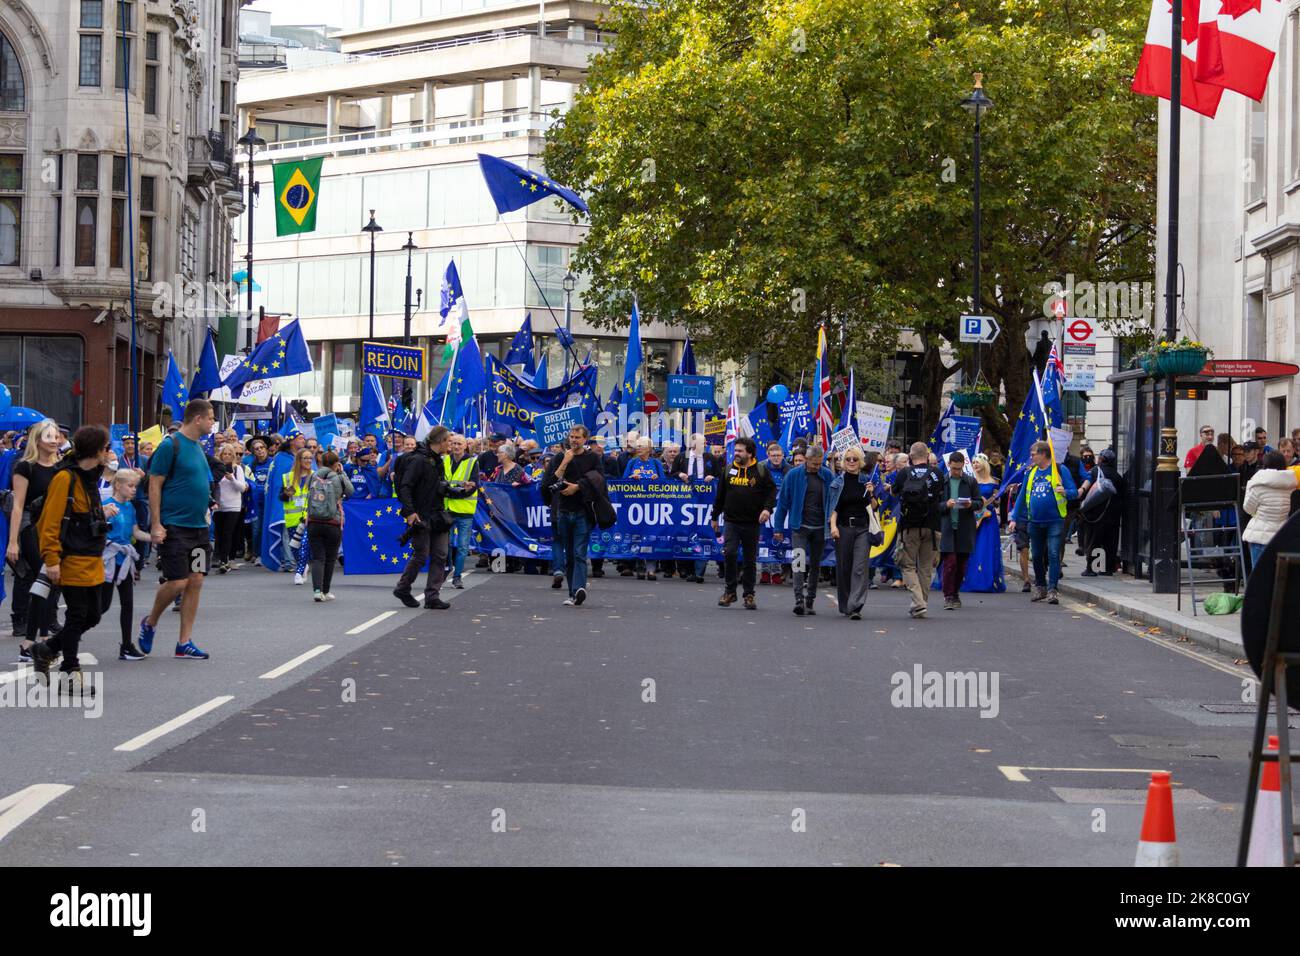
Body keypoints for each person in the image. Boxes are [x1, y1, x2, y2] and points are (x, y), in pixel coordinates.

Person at [28, 425, 115, 692]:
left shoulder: (90, 476)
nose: (109, 452)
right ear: (96, 450)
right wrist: (51, 559)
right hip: (71, 558)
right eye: (106, 448)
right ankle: (69, 673)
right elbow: (49, 523)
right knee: (78, 615)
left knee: (93, 615)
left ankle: (46, 648)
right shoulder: (66, 478)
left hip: (91, 557)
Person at [139, 399, 216, 660]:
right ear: (198, 419)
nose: (213, 422)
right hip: (174, 526)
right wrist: (156, 523)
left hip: (199, 528)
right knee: (177, 582)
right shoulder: (169, 446)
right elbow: (154, 485)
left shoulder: (198, 447)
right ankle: (150, 622)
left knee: (196, 580)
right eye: (211, 417)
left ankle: (184, 642)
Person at [394, 427, 472, 609]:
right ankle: (403, 588)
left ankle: (432, 596)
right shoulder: (419, 461)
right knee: (421, 554)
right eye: (449, 441)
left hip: (437, 514)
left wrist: (459, 491)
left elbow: (439, 487)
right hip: (421, 515)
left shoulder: (438, 461)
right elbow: (405, 486)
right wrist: (411, 512)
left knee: (441, 555)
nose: (451, 445)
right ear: (440, 442)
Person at [6, 418, 63, 660]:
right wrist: (13, 541)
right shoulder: (25, 466)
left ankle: (36, 641)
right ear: (37, 440)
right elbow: (18, 506)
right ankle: (35, 642)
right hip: (31, 527)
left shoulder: (61, 466)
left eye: (56, 436)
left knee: (50, 583)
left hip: (56, 528)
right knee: (45, 578)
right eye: (48, 436)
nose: (53, 440)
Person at [1008, 440, 1079, 605]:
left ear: (1043, 454)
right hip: (1034, 522)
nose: (1031, 457)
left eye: (1033, 454)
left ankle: (1052, 589)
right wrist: (1014, 518)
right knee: (1037, 556)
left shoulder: (1059, 470)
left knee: (1053, 554)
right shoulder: (1031, 473)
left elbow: (1074, 492)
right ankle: (1040, 586)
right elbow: (1021, 498)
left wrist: (1066, 491)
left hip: (1055, 521)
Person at [541, 424, 604, 607]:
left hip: (582, 512)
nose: (574, 440)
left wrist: (578, 486)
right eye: (571, 437)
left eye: (577, 437)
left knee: (579, 553)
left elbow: (599, 481)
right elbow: (548, 484)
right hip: (563, 511)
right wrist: (564, 462)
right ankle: (572, 593)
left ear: (585, 439)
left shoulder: (592, 458)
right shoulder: (561, 456)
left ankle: (579, 589)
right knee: (569, 554)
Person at [710, 436, 776, 610]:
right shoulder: (728, 470)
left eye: (739, 451)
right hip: (731, 521)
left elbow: (771, 492)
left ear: (750, 453)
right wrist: (714, 517)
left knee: (749, 560)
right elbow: (720, 496)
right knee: (729, 554)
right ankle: (730, 592)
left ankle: (749, 595)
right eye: (735, 450)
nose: (736, 454)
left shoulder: (760, 471)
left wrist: (767, 509)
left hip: (752, 523)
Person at [772, 444, 832, 616]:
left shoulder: (827, 475)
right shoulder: (793, 475)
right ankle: (798, 599)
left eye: (820, 463)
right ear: (806, 459)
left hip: (820, 528)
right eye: (814, 464)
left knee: (815, 565)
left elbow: (835, 500)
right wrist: (778, 527)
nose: (817, 467)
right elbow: (783, 503)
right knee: (798, 564)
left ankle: (810, 599)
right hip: (800, 527)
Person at [101, 467, 151, 661]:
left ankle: (127, 645)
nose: (133, 490)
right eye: (130, 486)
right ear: (118, 485)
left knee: (127, 604)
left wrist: (154, 538)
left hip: (125, 559)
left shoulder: (130, 507)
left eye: (135, 487)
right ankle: (71, 633)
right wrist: (104, 515)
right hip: (108, 559)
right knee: (102, 606)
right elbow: (97, 531)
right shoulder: (106, 505)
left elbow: (135, 532)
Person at [894, 442, 944, 619]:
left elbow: (894, 492)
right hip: (933, 525)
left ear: (910, 456)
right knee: (925, 567)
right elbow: (942, 495)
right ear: (927, 455)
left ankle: (918, 602)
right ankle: (921, 603)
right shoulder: (937, 473)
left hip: (909, 526)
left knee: (907, 565)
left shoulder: (904, 473)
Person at [827, 446, 876, 619]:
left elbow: (874, 507)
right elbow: (834, 508)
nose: (852, 462)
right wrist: (833, 527)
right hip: (843, 528)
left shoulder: (865, 480)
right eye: (848, 459)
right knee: (844, 568)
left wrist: (871, 493)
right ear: (844, 462)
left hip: (863, 529)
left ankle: (855, 606)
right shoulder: (837, 483)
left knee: (860, 569)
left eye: (855, 459)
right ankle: (846, 604)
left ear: (860, 462)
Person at [936, 451, 983, 610]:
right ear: (949, 465)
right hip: (947, 527)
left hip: (964, 527)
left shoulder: (970, 482)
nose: (956, 471)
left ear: (963, 465)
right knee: (950, 563)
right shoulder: (942, 481)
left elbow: (979, 502)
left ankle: (955, 593)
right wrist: (945, 505)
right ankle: (948, 595)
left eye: (959, 468)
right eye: (954, 468)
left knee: (961, 565)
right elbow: (934, 505)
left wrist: (971, 504)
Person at [306, 450, 353, 602]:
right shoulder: (338, 477)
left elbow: (307, 490)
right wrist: (342, 473)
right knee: (330, 558)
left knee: (318, 558)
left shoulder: (313, 475)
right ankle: (326, 590)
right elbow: (350, 491)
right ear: (336, 463)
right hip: (333, 521)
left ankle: (317, 591)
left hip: (314, 521)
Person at [1242, 452, 1299, 570]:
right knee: (1278, 578)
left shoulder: (1258, 483)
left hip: (1259, 535)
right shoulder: (1291, 484)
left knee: (1259, 576)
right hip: (1282, 535)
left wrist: (1249, 486)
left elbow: (1248, 508)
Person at [959, 454, 1006, 593]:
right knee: (971, 548)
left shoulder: (995, 481)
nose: (975, 464)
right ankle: (971, 579)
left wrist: (997, 499)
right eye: (973, 462)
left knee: (985, 548)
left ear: (984, 464)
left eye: (977, 462)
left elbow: (998, 502)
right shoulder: (969, 480)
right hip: (972, 517)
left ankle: (986, 580)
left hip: (988, 518)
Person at [1079, 447, 1126, 576]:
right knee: (1109, 542)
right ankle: (1106, 568)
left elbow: (1087, 489)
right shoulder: (1117, 476)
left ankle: (1092, 568)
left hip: (1096, 515)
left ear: (1101, 459)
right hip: (1113, 517)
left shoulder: (1095, 471)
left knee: (1094, 540)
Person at [443, 433, 479, 590]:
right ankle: (448, 567)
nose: (456, 446)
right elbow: (441, 483)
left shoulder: (472, 462)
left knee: (463, 547)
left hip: (465, 510)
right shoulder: (444, 460)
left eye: (459, 444)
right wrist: (456, 490)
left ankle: (457, 577)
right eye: (454, 443)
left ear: (466, 446)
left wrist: (452, 490)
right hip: (448, 509)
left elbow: (473, 486)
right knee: (446, 543)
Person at [280, 447, 315, 585]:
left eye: (310, 458)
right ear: (299, 460)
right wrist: (286, 495)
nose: (308, 461)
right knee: (295, 546)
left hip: (309, 517)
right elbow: (281, 497)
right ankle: (304, 565)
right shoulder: (288, 477)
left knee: (305, 544)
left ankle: (299, 572)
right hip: (292, 518)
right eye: (305, 458)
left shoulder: (315, 476)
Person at [212, 443, 249, 574]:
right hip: (219, 505)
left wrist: (232, 478)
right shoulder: (216, 469)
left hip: (233, 505)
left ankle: (225, 561)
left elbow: (242, 488)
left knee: (228, 533)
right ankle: (221, 558)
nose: (226, 456)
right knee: (219, 534)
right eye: (224, 454)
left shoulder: (237, 469)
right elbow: (213, 485)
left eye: (229, 454)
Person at [762, 441, 790, 586]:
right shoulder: (761, 468)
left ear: (783, 455)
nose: (776, 458)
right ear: (768, 455)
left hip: (782, 509)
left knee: (779, 539)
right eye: (773, 455)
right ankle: (765, 571)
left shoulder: (789, 469)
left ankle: (777, 571)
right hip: (765, 508)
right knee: (765, 539)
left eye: (778, 455)